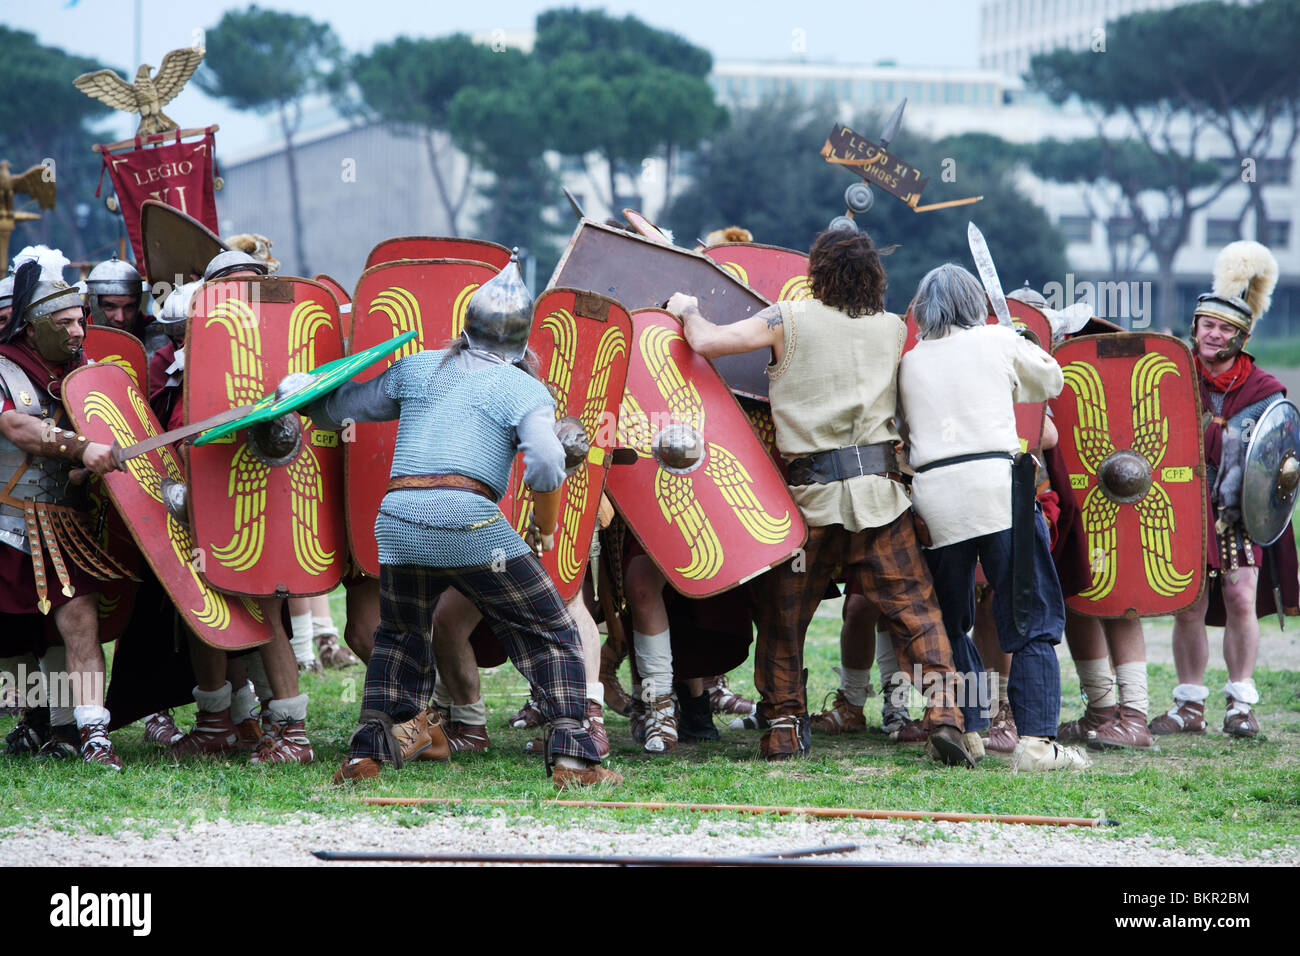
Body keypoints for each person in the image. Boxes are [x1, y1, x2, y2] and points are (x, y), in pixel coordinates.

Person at [666, 228, 975, 766]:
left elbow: (708, 342)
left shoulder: (787, 317)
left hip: (811, 504)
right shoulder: (891, 329)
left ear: (818, 275)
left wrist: (687, 309)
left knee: (784, 620)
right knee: (919, 613)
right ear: (873, 276)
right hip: (882, 498)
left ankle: (783, 727)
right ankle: (946, 713)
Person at [316, 253, 618, 789]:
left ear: (464, 329)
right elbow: (548, 463)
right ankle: (573, 761)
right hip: (470, 523)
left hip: (400, 522)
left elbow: (335, 408)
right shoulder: (525, 388)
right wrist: (546, 523)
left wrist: (297, 391)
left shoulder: (417, 366)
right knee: (550, 630)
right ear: (524, 344)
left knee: (400, 637)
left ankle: (367, 756)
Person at [897, 263, 1088, 772]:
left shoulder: (910, 361)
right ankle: (1036, 745)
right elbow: (1051, 379)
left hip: (935, 495)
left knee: (950, 620)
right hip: (999, 491)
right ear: (973, 305)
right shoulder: (997, 339)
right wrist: (1022, 339)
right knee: (1032, 619)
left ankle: (972, 730)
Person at [1151, 240, 1295, 739]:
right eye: (1208, 326)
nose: (1215, 335)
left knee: (1240, 595)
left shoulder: (1262, 388)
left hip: (1236, 507)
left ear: (1242, 335)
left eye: (1226, 328)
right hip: (1182, 501)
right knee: (1187, 600)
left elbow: (1262, 452)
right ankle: (1189, 705)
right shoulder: (1170, 372)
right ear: (1196, 329)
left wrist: (1213, 431)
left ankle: (1240, 702)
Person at [0, 257, 122, 767]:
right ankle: (37, 717)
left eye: (80, 320)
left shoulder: (84, 374)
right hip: (7, 522)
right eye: (65, 322)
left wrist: (86, 470)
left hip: (65, 521)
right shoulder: (3, 368)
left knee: (76, 620)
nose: (78, 331)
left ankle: (92, 733)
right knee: (14, 635)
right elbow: (17, 428)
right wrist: (80, 449)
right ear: (33, 327)